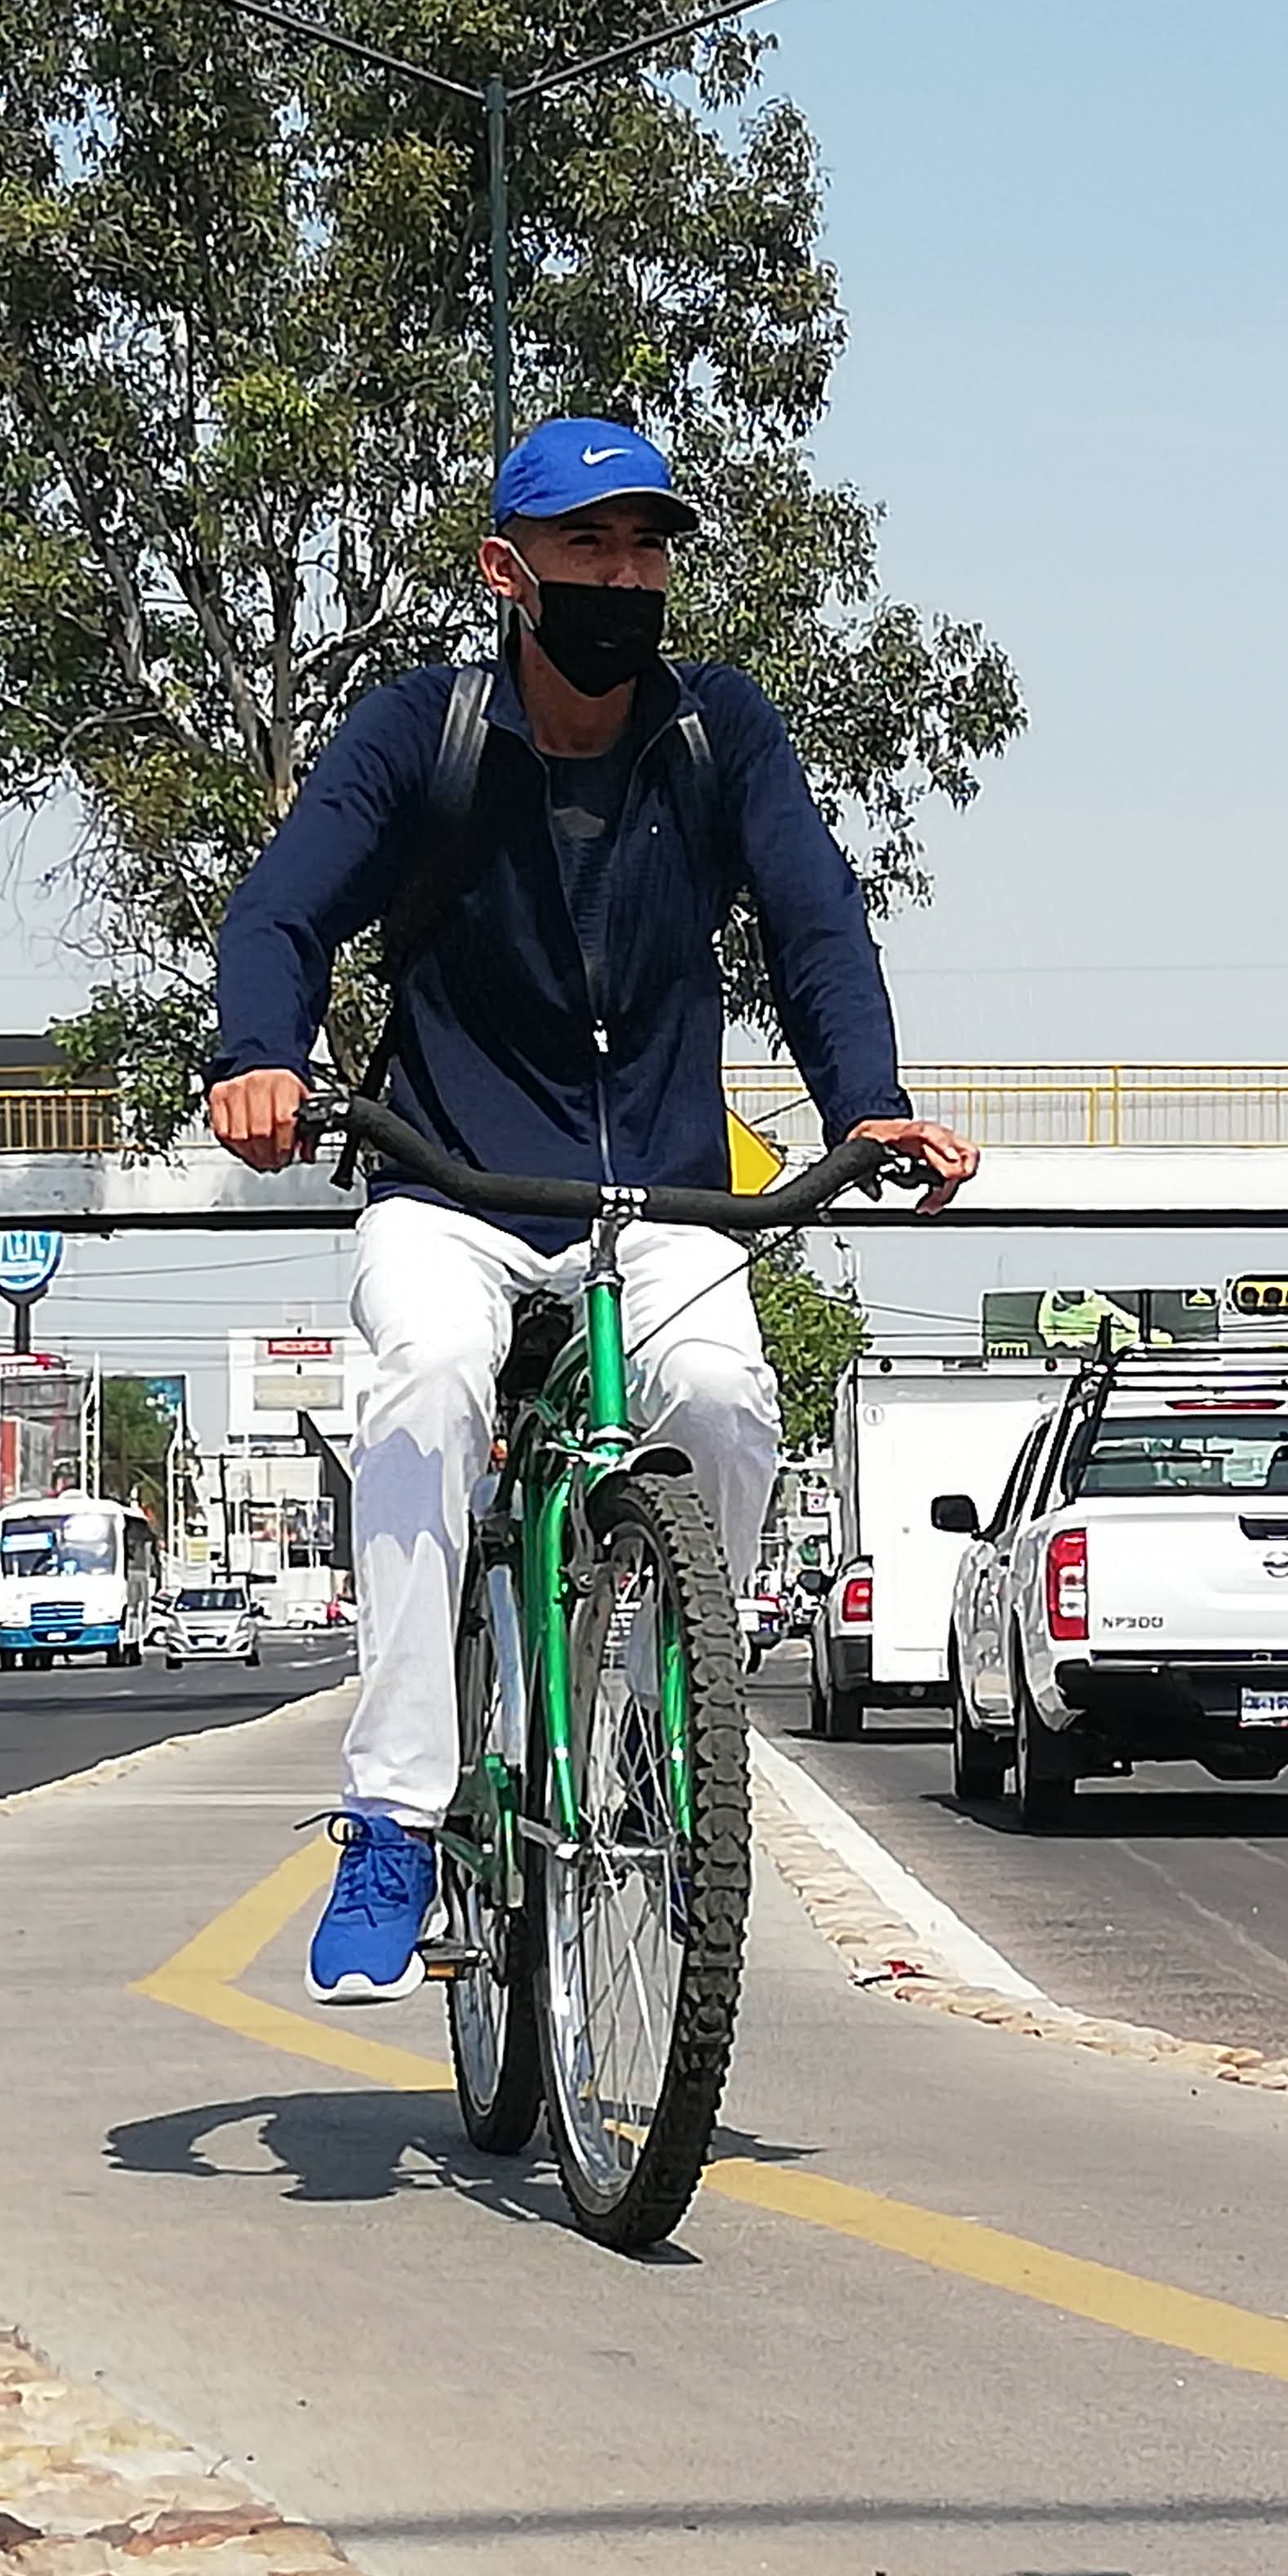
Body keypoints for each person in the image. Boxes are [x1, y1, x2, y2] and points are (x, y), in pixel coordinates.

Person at [206, 415, 977, 2003]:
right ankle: (400, 1814)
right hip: (455, 1182)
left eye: (648, 548)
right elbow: (282, 905)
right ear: (509, 570)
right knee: (423, 1383)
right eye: (588, 549)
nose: (627, 578)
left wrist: (867, 1106)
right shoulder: (425, 733)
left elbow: (819, 922)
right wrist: (260, 1057)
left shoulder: (720, 734)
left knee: (729, 1399)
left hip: (662, 1192)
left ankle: (649, 1723)